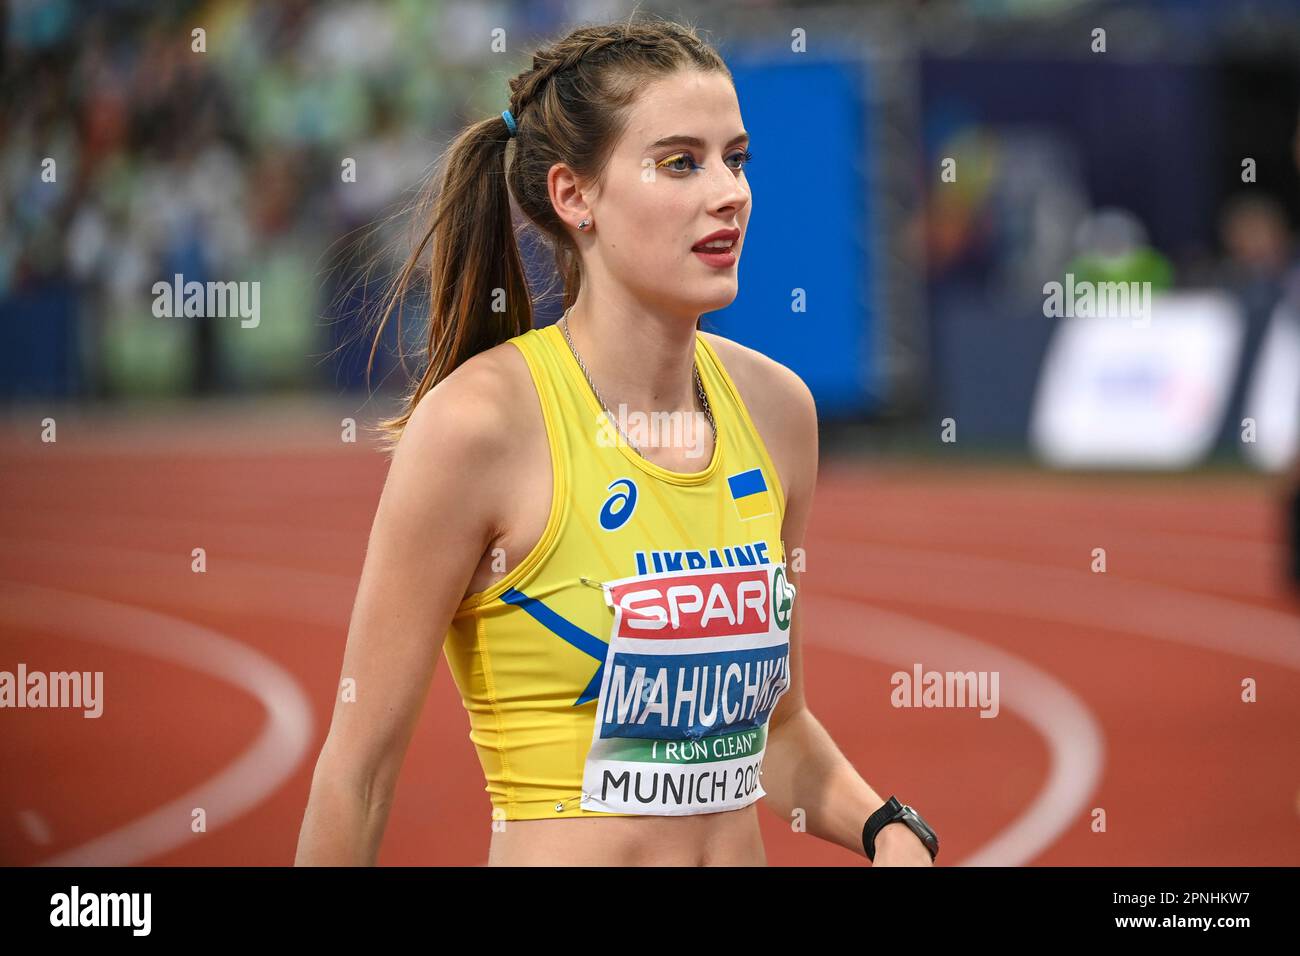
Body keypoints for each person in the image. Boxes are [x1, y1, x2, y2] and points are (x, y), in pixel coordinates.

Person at [295, 16, 937, 867]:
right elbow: (359, 775)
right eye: (681, 162)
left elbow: (771, 734)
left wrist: (887, 828)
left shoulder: (778, 412)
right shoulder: (480, 426)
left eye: (735, 159)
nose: (729, 192)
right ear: (574, 196)